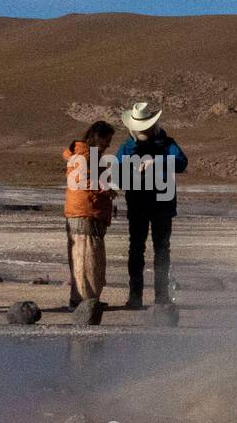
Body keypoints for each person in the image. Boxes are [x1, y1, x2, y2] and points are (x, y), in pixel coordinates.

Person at [115, 102, 188, 308]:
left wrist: (157, 162)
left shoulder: (167, 144)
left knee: (161, 250)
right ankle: (135, 296)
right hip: (138, 205)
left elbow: (182, 162)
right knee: (136, 249)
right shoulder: (127, 147)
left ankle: (161, 296)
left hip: (162, 206)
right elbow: (118, 177)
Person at [62, 121, 118, 309]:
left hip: (88, 213)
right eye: (106, 141)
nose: (108, 145)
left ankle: (88, 299)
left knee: (90, 258)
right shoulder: (84, 157)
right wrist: (104, 189)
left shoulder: (89, 156)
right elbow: (80, 181)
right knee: (85, 258)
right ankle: (82, 301)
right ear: (97, 137)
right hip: (84, 213)